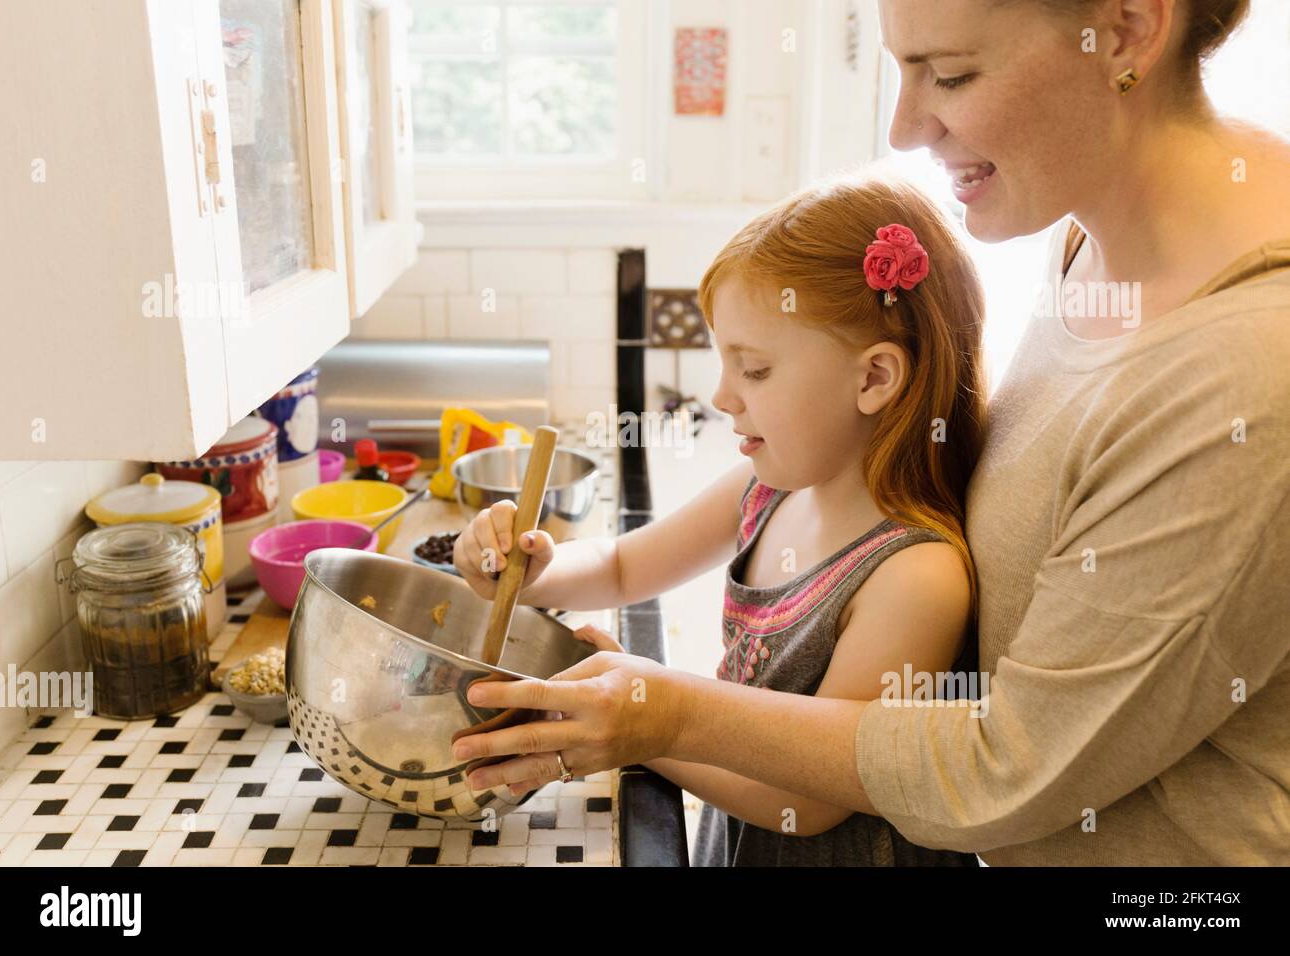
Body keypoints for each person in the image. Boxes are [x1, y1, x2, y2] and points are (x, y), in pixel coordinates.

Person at [449, 0, 1290, 865]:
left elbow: (1005, 766)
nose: (903, 124)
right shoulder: (1085, 236)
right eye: (900, 67)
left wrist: (664, 716)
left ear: (1125, 28)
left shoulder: (1251, 373)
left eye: (953, 73)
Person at [456, 175, 989, 865]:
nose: (721, 397)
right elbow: (622, 566)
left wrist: (645, 721)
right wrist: (537, 571)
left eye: (756, 370)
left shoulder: (916, 576)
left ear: (874, 378)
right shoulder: (770, 490)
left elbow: (812, 802)